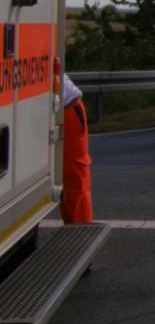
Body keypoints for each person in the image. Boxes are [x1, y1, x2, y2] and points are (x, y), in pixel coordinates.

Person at [60, 72, 93, 224]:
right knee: (63, 180)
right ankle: (74, 227)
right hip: (61, 109)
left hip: (68, 109)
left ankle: (81, 230)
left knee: (74, 179)